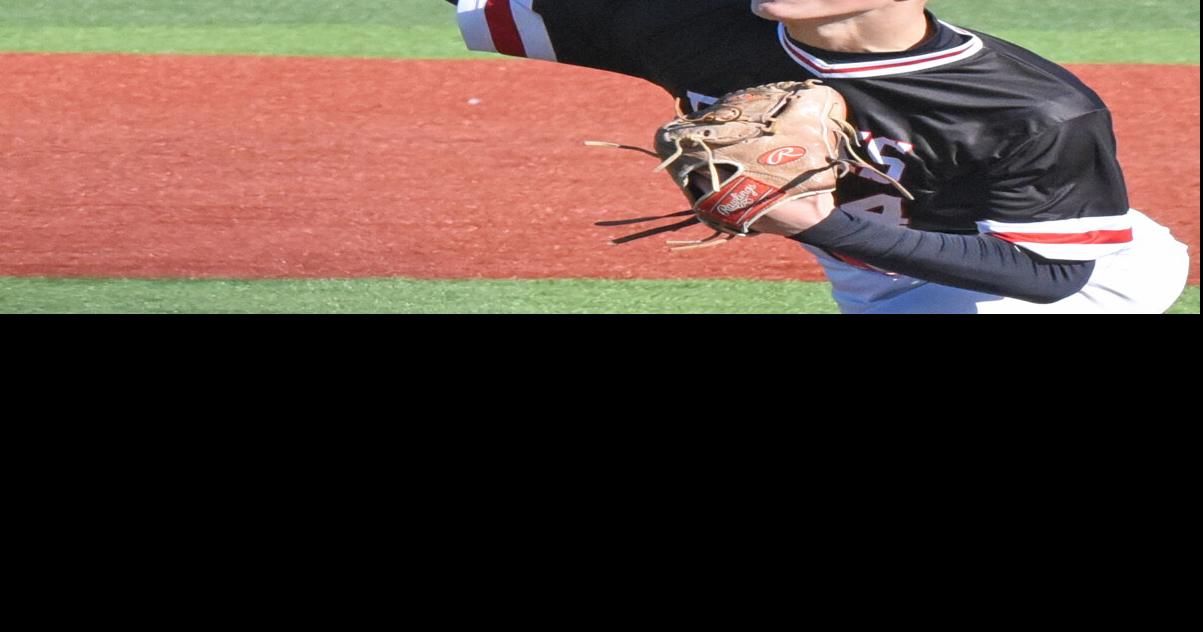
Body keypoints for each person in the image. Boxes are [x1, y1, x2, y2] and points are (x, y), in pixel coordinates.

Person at [445, 0, 1190, 313]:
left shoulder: (1035, 109)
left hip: (1050, 283)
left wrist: (811, 224)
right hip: (885, 279)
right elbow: (482, 11)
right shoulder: (681, 24)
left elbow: (1055, 278)